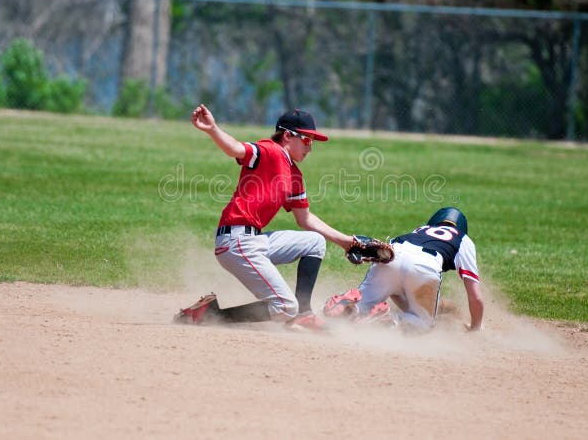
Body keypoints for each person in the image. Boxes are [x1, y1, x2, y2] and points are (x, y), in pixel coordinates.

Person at [175, 104, 355, 331]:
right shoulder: (270, 150)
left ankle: (304, 313)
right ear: (288, 136)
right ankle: (211, 316)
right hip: (236, 241)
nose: (310, 148)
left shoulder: (295, 175)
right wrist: (212, 129)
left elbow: (305, 219)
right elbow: (235, 149)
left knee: (315, 242)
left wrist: (346, 242)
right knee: (285, 308)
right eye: (307, 140)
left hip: (253, 241)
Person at [324, 207, 484, 333]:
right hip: (425, 264)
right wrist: (475, 327)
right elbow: (475, 297)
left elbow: (396, 287)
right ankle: (390, 319)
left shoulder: (418, 231)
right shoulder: (463, 239)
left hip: (392, 254)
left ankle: (349, 307)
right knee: (422, 324)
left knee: (364, 304)